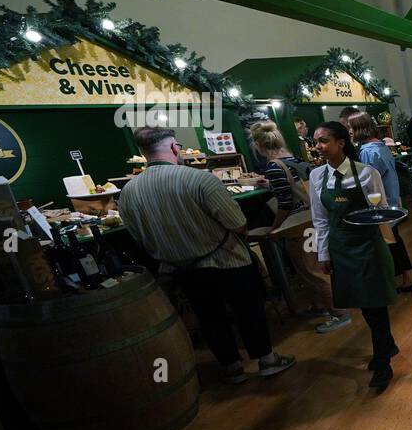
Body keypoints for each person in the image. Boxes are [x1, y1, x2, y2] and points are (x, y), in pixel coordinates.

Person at [118, 126, 296, 385]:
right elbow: (238, 224)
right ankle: (266, 360)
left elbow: (138, 237)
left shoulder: (129, 193)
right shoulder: (199, 179)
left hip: (181, 268)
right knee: (248, 310)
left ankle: (232, 367)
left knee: (209, 317)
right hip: (225, 259)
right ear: (174, 148)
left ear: (143, 153)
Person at [309, 121, 400, 392]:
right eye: (316, 141)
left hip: (368, 245)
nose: (318, 147)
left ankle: (383, 362)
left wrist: (383, 232)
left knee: (376, 304)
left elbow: (381, 209)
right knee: (362, 303)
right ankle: (388, 345)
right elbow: (320, 220)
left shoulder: (366, 173)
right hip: (341, 248)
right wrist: (323, 253)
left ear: (341, 143)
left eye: (323, 141)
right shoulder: (316, 177)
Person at [249, 121, 352, 334]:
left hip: (297, 225)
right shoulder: (292, 159)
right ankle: (321, 306)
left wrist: (275, 227)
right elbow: (295, 186)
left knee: (312, 270)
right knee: (313, 264)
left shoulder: (273, 166)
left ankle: (339, 313)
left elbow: (285, 203)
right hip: (311, 219)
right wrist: (270, 185)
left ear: (259, 144)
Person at [353, 112, 412, 293]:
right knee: (394, 240)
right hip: (391, 201)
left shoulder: (368, 152)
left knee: (389, 243)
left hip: (381, 205)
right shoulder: (381, 147)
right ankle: (405, 279)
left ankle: (394, 281)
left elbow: (370, 183)